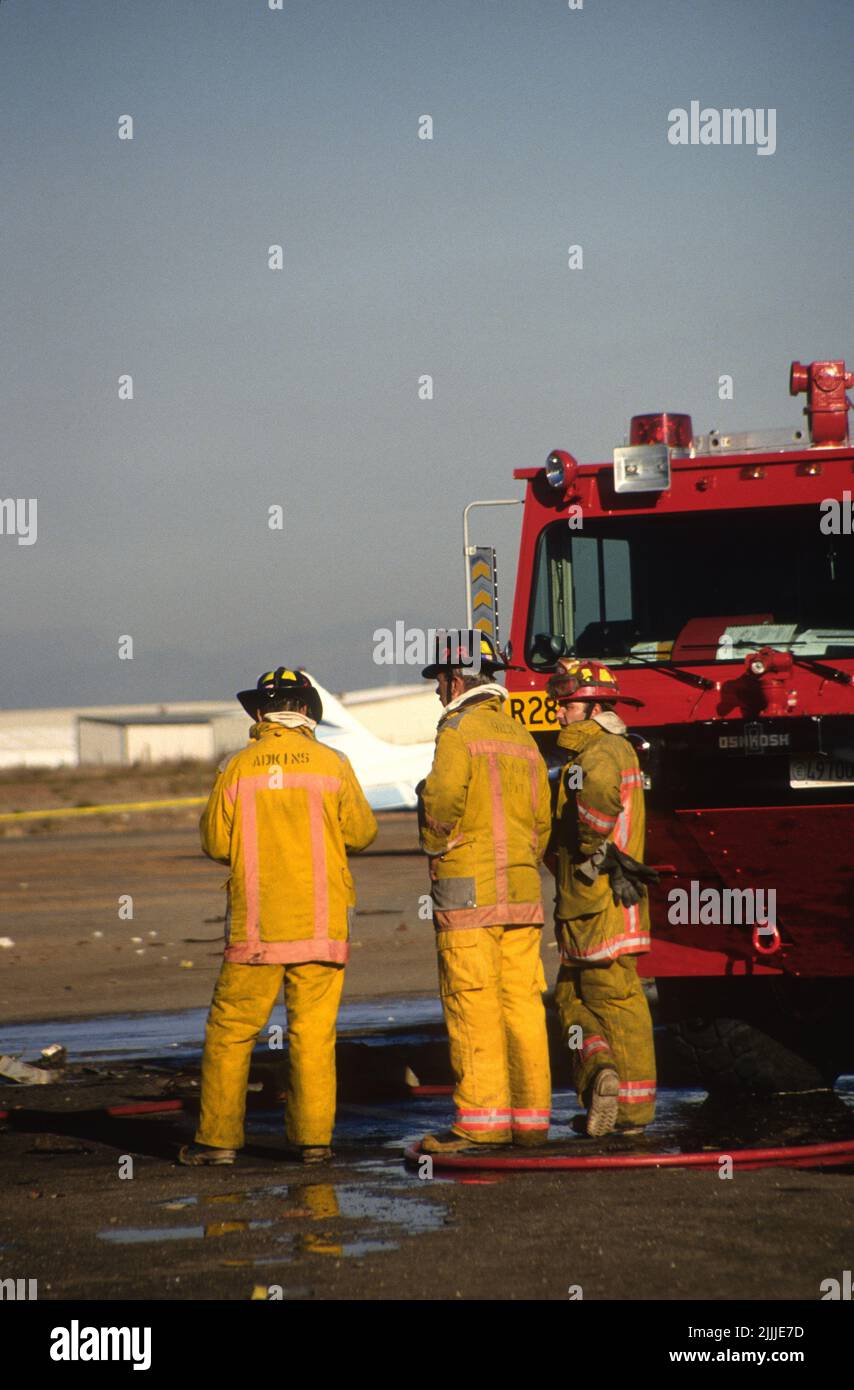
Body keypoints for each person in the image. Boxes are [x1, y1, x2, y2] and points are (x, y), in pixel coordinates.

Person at [179, 666, 377, 1166]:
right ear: (307, 710)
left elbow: (214, 843)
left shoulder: (237, 766)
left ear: (261, 713)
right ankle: (314, 1142)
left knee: (230, 1034)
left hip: (256, 930)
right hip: (320, 928)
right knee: (312, 1036)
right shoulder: (333, 763)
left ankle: (218, 1142)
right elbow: (361, 833)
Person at [417, 631, 552, 1153]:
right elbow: (542, 819)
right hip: (522, 893)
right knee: (522, 1005)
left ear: (455, 680)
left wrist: (436, 841)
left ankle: (483, 1123)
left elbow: (443, 797)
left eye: (438, 682)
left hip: (468, 893)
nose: (436, 693)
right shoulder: (522, 737)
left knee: (472, 1003)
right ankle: (532, 1120)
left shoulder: (457, 730)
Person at [548, 658, 658, 1137]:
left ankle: (629, 1110)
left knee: (613, 1001)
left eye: (567, 704)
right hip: (599, 905)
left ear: (593, 705)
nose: (558, 713)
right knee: (573, 997)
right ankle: (601, 1076)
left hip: (600, 905)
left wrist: (591, 848)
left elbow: (598, 801)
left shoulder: (599, 751)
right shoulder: (610, 748)